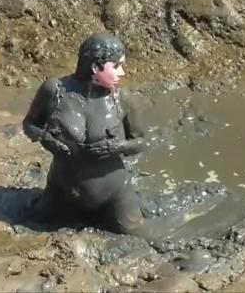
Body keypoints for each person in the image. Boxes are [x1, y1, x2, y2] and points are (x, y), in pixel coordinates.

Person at [22, 33, 149, 236]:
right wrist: (44, 138)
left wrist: (118, 147)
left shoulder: (123, 99)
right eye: (116, 66)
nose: (123, 72)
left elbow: (142, 141)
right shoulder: (55, 91)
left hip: (114, 193)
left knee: (140, 236)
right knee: (31, 222)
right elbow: (29, 124)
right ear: (95, 67)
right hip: (62, 189)